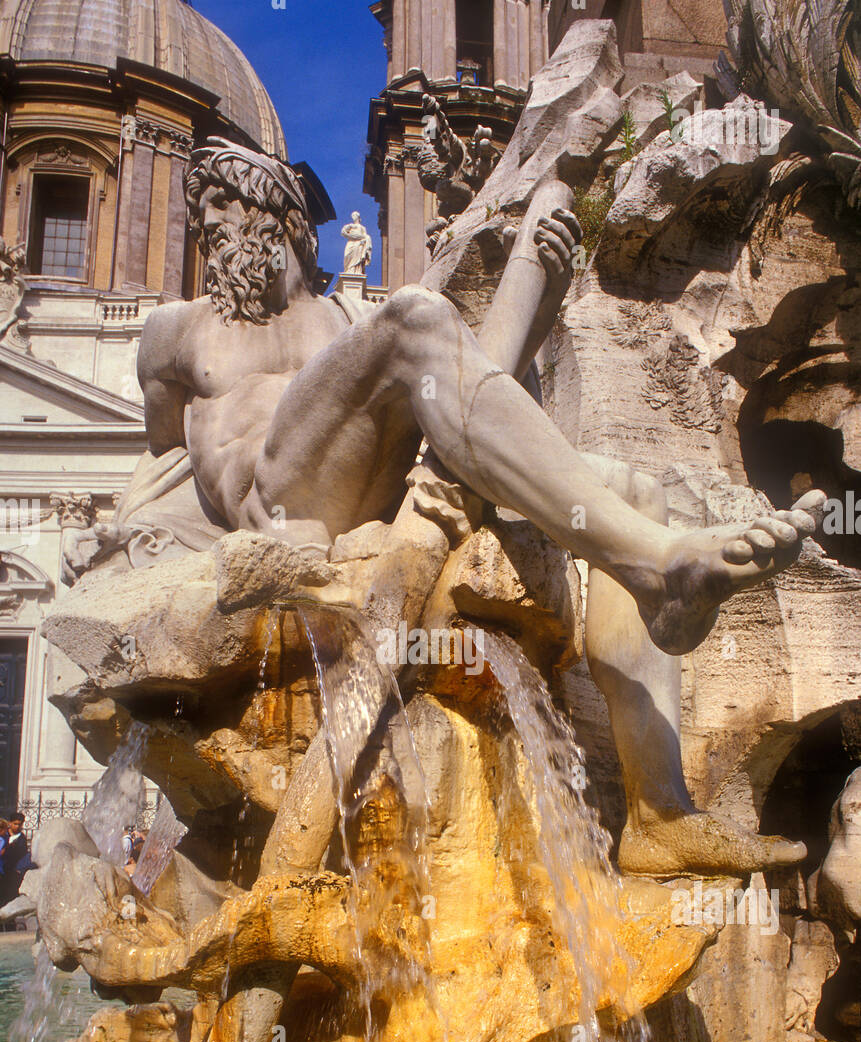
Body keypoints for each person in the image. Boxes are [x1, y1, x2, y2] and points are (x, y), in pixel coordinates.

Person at [64, 139, 822, 873]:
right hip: (279, 498)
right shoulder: (177, 330)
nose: (218, 221)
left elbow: (458, 410)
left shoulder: (339, 324)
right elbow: (162, 453)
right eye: (208, 207)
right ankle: (657, 563)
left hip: (377, 493)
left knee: (635, 492)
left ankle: (658, 813)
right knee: (417, 316)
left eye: (237, 200)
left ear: (287, 218)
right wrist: (118, 538)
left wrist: (540, 283)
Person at [0, 812, 31, 906]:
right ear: (10, 823)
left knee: (8, 893)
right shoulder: (3, 834)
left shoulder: (21, 839)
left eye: (19, 824)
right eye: (15, 824)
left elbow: (23, 855)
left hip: (12, 870)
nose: (17, 826)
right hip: (1, 867)